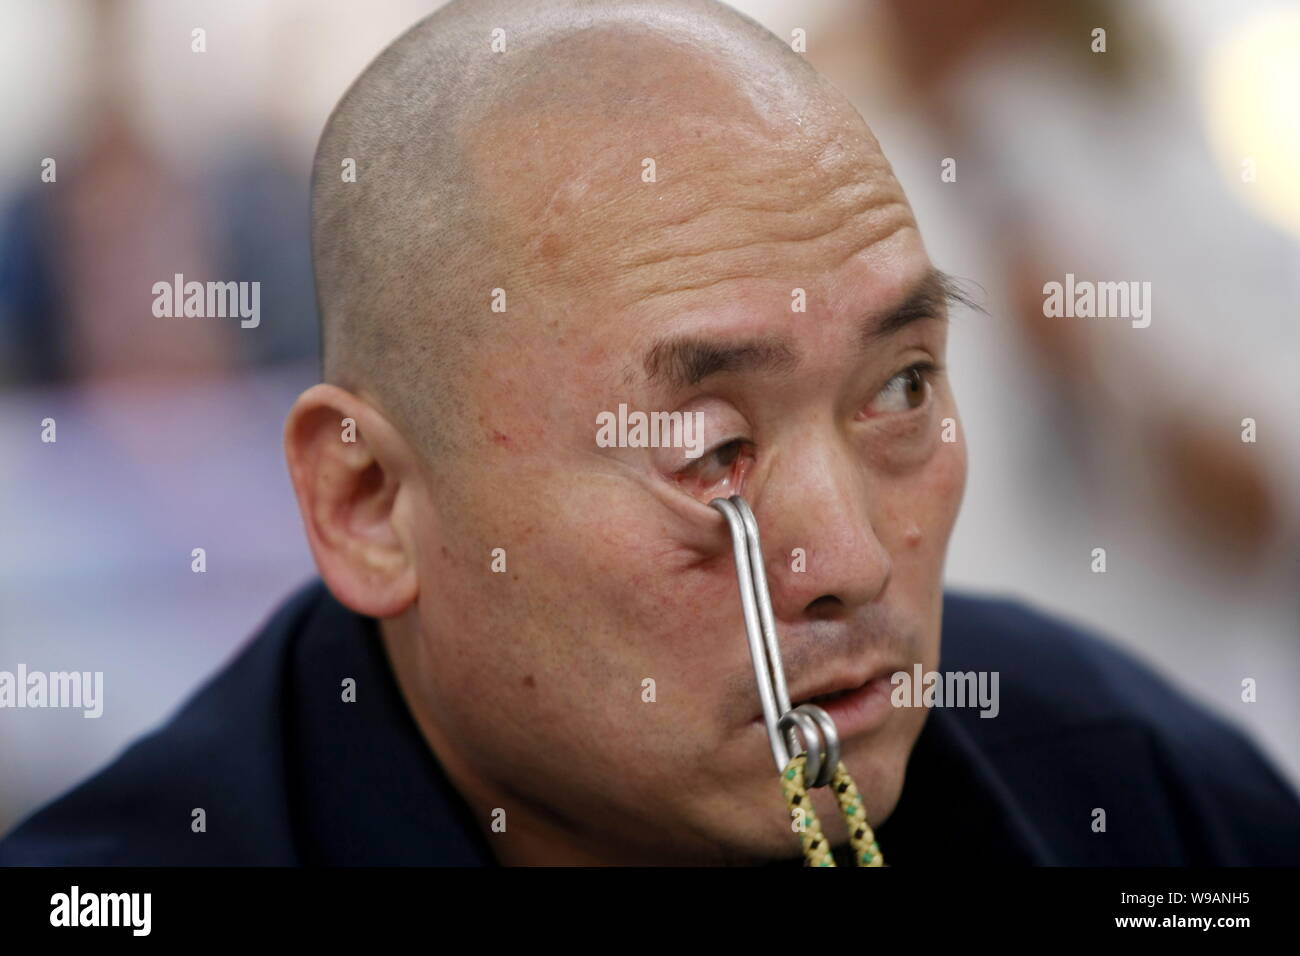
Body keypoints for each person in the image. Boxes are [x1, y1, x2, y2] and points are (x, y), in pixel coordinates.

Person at [2, 0, 1296, 866]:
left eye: (900, 388)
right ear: (370, 502)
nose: (850, 561)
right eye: (712, 450)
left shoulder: (1139, 795)